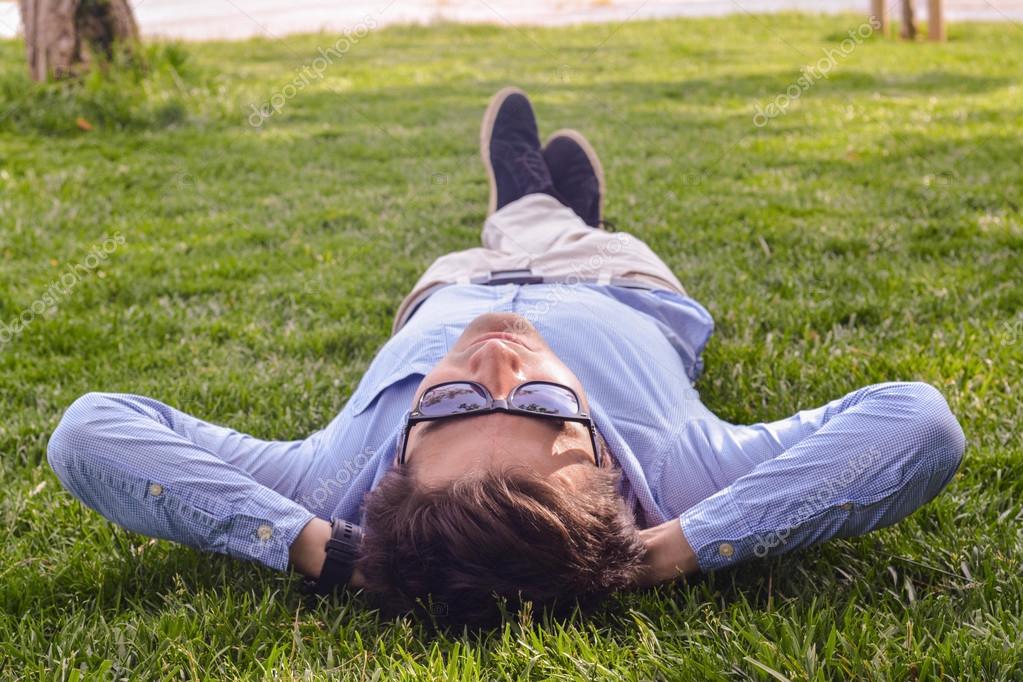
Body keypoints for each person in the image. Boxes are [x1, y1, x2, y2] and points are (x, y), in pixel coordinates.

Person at [46, 87, 966, 627]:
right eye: (538, 410)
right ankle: (562, 210)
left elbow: (91, 434)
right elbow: (917, 423)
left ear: (395, 467)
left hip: (451, 286)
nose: (494, 367)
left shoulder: (335, 484)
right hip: (619, 284)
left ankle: (523, 202)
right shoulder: (684, 481)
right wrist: (673, 551)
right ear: (605, 474)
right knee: (579, 227)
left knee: (509, 228)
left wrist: (311, 547)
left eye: (443, 410)